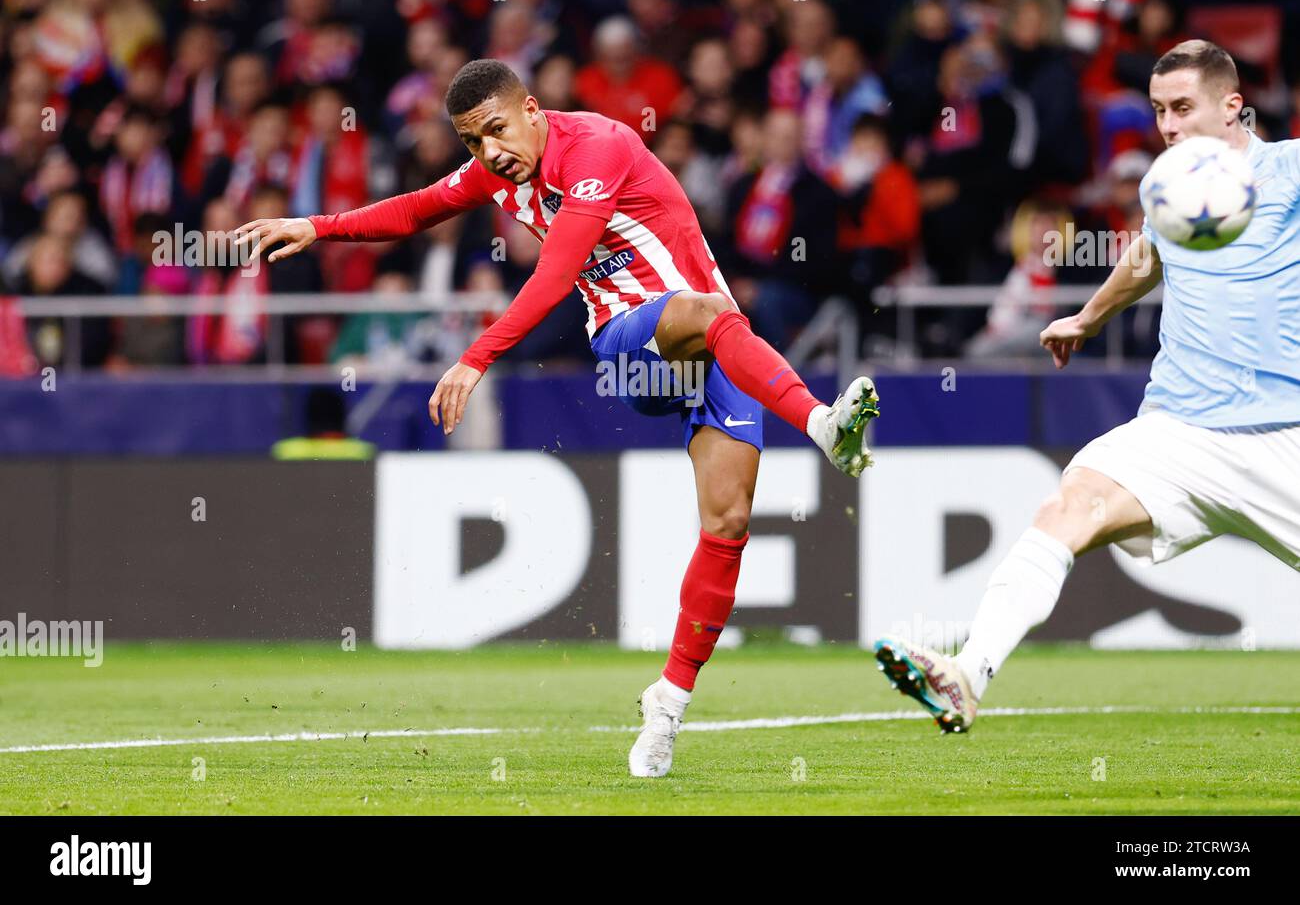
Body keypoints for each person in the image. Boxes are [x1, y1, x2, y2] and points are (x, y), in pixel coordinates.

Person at [233, 58, 880, 777]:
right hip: (632, 345)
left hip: (715, 350)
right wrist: (317, 226)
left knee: (726, 524)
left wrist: (475, 355)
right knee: (712, 311)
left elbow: (550, 268)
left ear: (534, 109)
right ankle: (822, 424)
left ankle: (665, 706)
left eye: (497, 132)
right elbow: (418, 210)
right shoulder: (501, 171)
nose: (489, 154)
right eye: (473, 143)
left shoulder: (597, 148)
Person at [873, 40, 1300, 733]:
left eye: (1183, 108)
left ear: (1232, 106)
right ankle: (966, 672)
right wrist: (1088, 316)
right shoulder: (1163, 185)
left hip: (1285, 435)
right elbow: (1147, 255)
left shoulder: (1290, 171)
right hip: (1179, 430)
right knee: (1070, 506)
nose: (1168, 126)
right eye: (1160, 110)